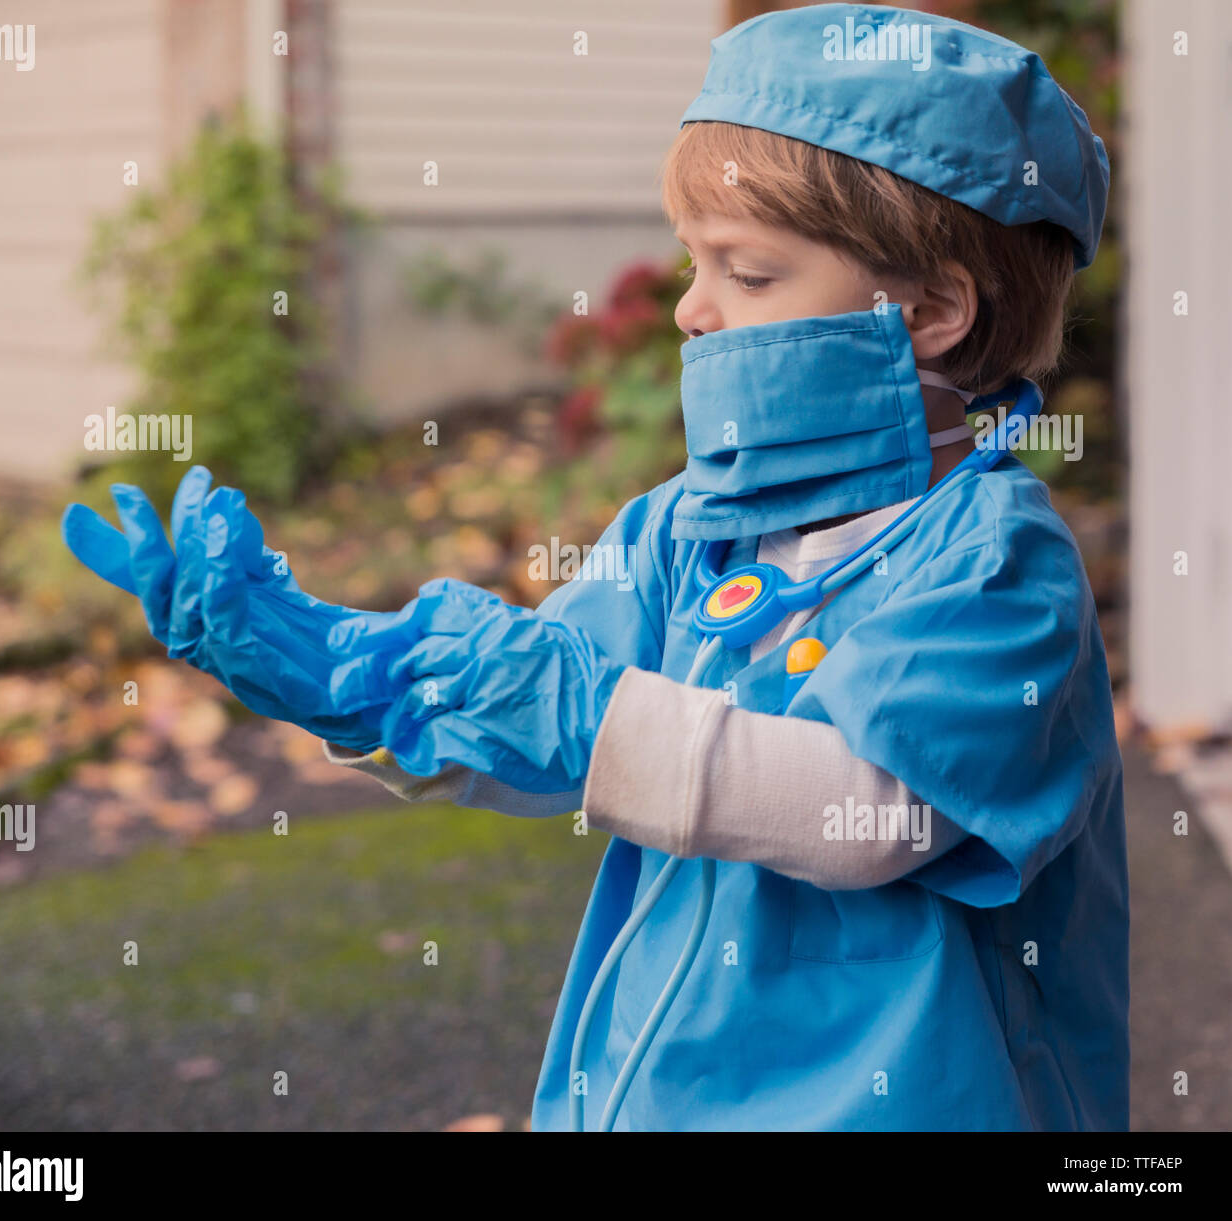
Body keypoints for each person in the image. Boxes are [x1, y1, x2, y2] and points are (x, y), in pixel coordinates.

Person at [64, 3, 1127, 1131]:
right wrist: (363, 681)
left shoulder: (996, 562)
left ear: (930, 310)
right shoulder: (687, 526)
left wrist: (591, 717)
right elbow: (550, 743)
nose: (689, 307)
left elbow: (875, 816)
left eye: (748, 273)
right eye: (692, 261)